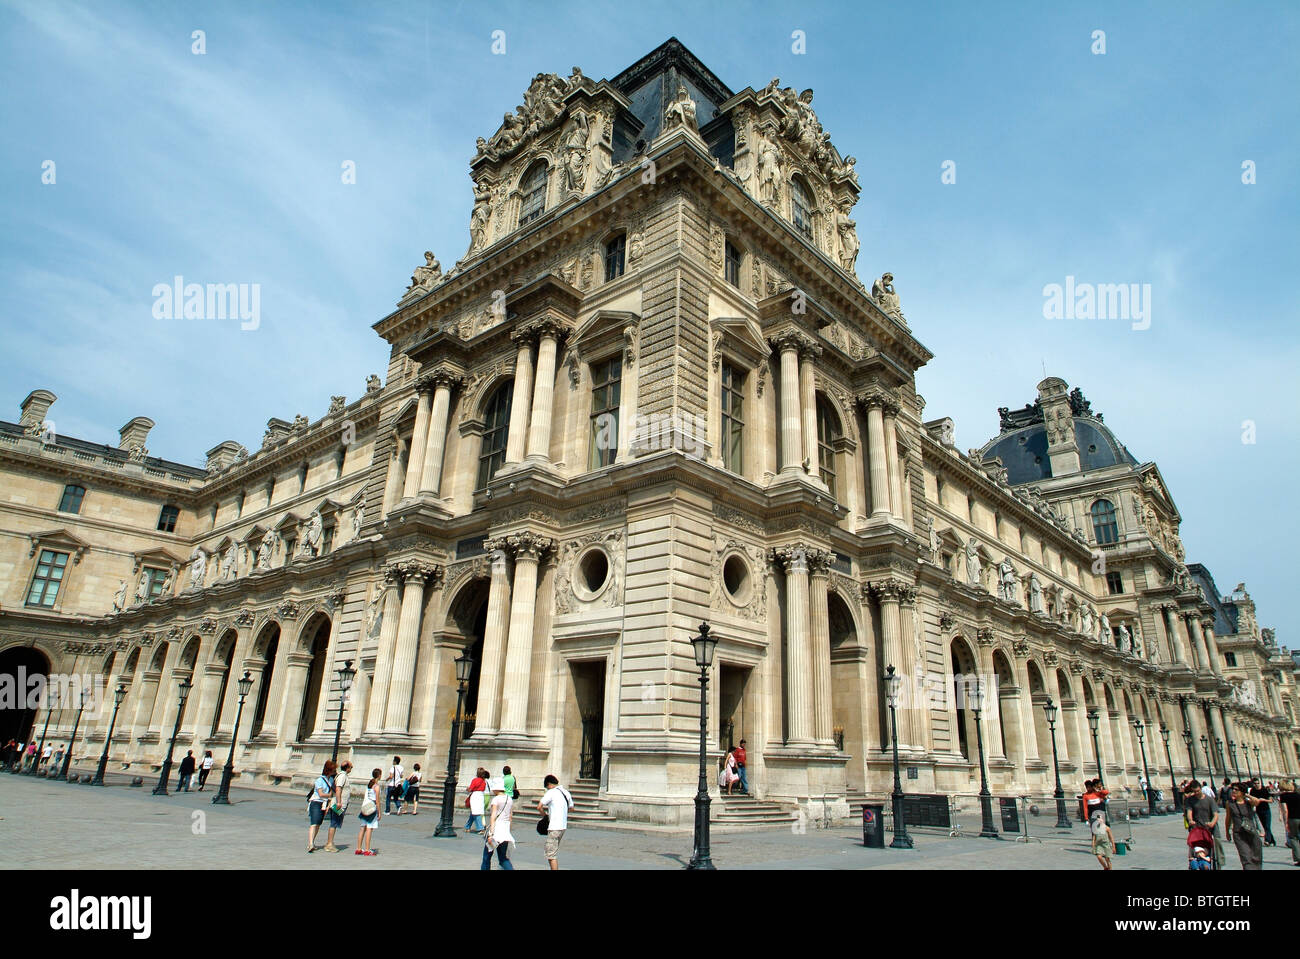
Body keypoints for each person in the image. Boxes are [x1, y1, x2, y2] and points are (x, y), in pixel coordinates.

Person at [537, 774, 574, 870]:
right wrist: (562, 812)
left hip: (554, 826)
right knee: (552, 851)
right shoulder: (566, 792)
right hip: (563, 826)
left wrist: (545, 816)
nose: (547, 789)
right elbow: (572, 808)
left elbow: (539, 807)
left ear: (549, 784)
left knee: (551, 854)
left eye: (547, 787)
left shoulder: (551, 792)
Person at [1223, 782, 1263, 870]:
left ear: (1242, 792)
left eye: (1236, 789)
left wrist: (1247, 795)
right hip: (1239, 834)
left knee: (1256, 854)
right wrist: (1227, 832)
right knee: (1245, 856)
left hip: (1251, 832)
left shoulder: (1248, 802)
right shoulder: (1229, 804)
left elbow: (1257, 801)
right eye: (1233, 789)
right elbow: (1228, 818)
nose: (1233, 791)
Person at [1184, 780, 1223, 869]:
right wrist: (1190, 820)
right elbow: (1189, 812)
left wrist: (1212, 823)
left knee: (1217, 845)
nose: (1196, 793)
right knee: (1195, 845)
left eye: (1198, 791)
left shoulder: (1209, 799)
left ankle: (1219, 863)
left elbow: (1215, 814)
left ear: (1201, 788)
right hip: (1197, 828)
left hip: (1210, 827)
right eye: (1194, 791)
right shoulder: (1190, 800)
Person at [482, 777, 515, 870]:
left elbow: (493, 816)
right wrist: (508, 831)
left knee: (487, 857)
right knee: (503, 858)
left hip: (496, 830)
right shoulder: (509, 799)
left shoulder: (496, 799)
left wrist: (491, 834)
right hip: (505, 831)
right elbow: (510, 817)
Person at [307, 760, 336, 853]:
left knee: (318, 824)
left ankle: (312, 842)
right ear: (329, 770)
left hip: (324, 804)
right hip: (316, 802)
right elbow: (321, 794)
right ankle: (311, 843)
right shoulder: (319, 780)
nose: (334, 771)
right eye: (333, 770)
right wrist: (330, 795)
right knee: (314, 823)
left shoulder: (331, 780)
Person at [324, 760, 351, 853]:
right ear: (347, 768)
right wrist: (339, 802)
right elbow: (338, 789)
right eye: (351, 767)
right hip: (338, 804)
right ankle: (329, 844)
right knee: (334, 823)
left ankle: (330, 843)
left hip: (338, 803)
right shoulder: (342, 776)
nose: (351, 768)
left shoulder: (341, 775)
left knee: (335, 823)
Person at [356, 767, 383, 856]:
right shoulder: (377, 786)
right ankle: (367, 849)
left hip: (365, 808)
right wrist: (379, 813)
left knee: (362, 828)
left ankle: (359, 848)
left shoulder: (369, 785)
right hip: (372, 809)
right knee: (369, 828)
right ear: (379, 775)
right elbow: (377, 801)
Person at [1248, 778, 1276, 846]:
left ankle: (1267, 840)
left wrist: (1263, 800)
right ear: (1253, 784)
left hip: (1266, 810)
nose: (1257, 785)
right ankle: (1272, 840)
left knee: (1267, 826)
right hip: (1259, 810)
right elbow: (1251, 799)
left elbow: (1271, 801)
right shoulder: (1252, 791)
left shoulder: (1264, 790)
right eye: (1255, 783)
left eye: (1258, 783)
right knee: (1265, 826)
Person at [1279, 779, 1300, 866]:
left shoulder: (1284, 796)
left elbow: (1285, 810)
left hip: (1292, 818)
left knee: (1293, 838)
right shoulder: (1298, 795)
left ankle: (1298, 858)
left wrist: (1286, 822)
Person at [466, 768, 489, 833]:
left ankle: (480, 828)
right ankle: (467, 826)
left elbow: (470, 789)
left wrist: (467, 789)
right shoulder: (484, 781)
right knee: (476, 811)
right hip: (481, 795)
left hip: (475, 796)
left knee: (475, 812)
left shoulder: (475, 780)